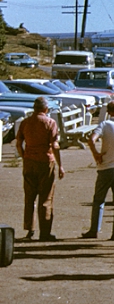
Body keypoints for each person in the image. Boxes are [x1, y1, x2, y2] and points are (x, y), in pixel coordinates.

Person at [16, 97, 64, 241]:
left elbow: (19, 143)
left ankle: (30, 229)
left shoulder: (25, 122)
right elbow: (54, 145)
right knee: (46, 197)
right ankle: (45, 232)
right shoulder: (50, 123)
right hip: (45, 160)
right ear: (45, 109)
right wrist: (60, 164)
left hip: (29, 161)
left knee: (30, 196)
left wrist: (24, 156)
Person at [83, 101, 114, 240]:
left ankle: (94, 229)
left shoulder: (104, 125)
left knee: (99, 199)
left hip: (106, 167)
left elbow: (91, 139)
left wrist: (96, 154)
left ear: (108, 112)